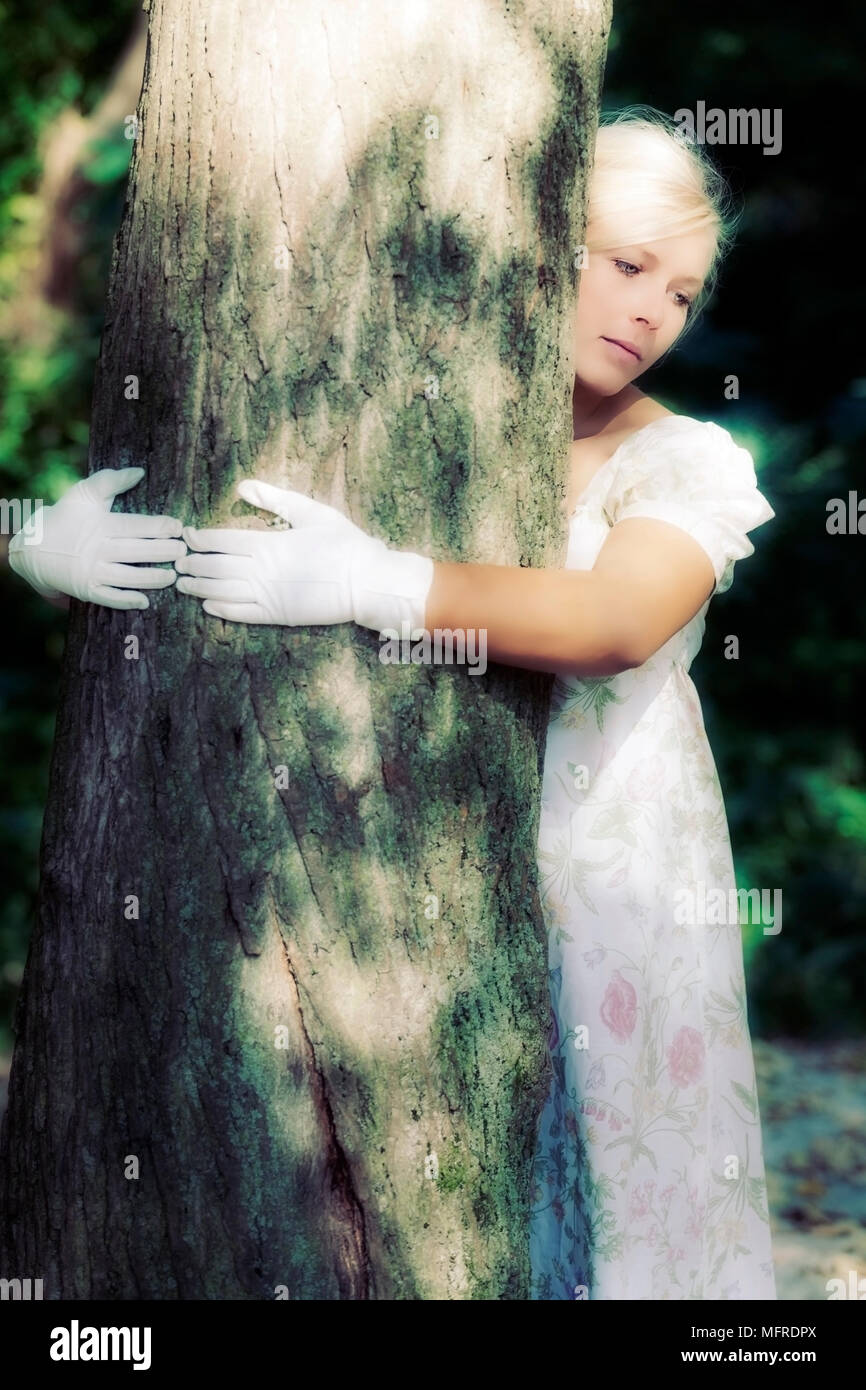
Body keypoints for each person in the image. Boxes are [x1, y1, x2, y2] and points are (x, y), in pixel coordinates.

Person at [7, 106, 777, 1301]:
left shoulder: (681, 459)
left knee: (619, 1189)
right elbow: (211, 535)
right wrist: (31, 544)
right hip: (383, 872)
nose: (650, 312)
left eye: (678, 293)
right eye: (624, 264)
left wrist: (376, 583)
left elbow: (615, 623)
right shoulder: (386, 386)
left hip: (608, 881)